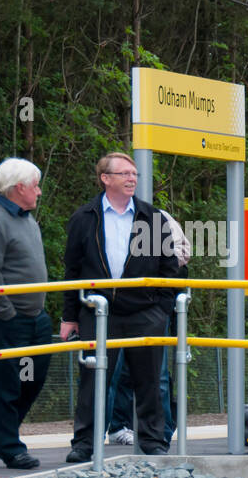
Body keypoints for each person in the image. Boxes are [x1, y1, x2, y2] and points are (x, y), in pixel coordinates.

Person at [62, 151, 179, 460]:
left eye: (134, 174)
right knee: (93, 381)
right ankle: (85, 444)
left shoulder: (151, 217)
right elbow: (71, 271)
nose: (132, 179)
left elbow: (170, 268)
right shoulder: (84, 217)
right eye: (125, 173)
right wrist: (69, 317)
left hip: (145, 313)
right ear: (105, 179)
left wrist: (160, 310)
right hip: (98, 313)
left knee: (150, 381)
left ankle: (153, 442)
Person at [0, 159, 52, 469]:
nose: (38, 190)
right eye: (34, 185)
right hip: (5, 318)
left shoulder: (27, 219)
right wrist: (6, 312)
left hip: (35, 316)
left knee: (31, 380)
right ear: (18, 188)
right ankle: (9, 445)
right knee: (7, 385)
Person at [106, 207, 189, 446]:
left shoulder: (158, 218)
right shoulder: (102, 217)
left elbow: (183, 252)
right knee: (117, 370)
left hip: (151, 307)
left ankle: (160, 432)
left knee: (157, 373)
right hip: (118, 305)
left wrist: (162, 302)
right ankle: (117, 426)